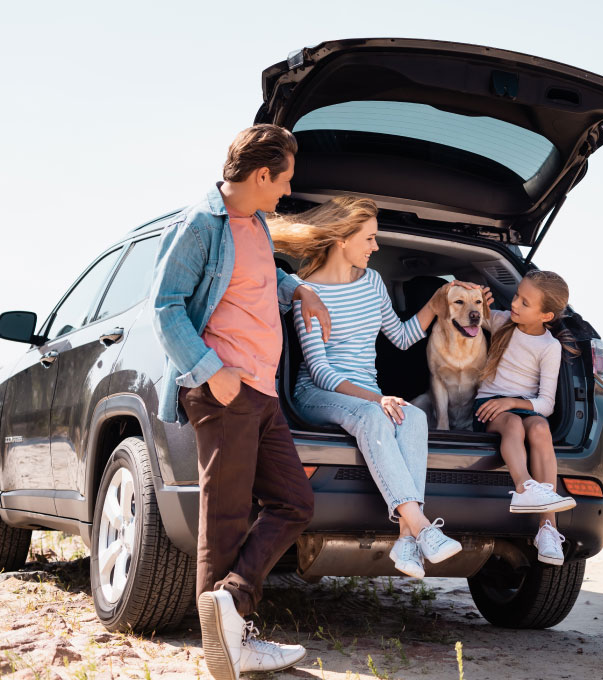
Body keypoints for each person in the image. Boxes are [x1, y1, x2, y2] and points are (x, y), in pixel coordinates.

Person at [151, 125, 332, 680]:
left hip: (262, 390)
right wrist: (211, 371)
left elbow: (254, 278)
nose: (286, 192)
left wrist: (296, 287)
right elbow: (165, 306)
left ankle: (230, 605)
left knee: (294, 503)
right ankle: (228, 646)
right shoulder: (201, 224)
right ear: (260, 175)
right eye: (284, 181)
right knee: (225, 518)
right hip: (225, 390)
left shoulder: (254, 223)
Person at [268, 196, 488, 578]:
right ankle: (421, 527)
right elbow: (321, 371)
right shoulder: (306, 292)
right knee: (375, 414)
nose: (376, 246)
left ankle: (406, 543)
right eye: (369, 238)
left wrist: (437, 304)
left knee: (415, 417)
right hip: (318, 395)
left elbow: (402, 337)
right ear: (342, 239)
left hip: (369, 395)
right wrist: (377, 398)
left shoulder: (372, 283)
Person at [473, 270, 579, 565]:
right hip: (490, 406)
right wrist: (480, 303)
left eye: (525, 302)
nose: (515, 304)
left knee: (541, 428)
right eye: (517, 296)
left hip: (522, 405)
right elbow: (474, 318)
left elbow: (546, 404)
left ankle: (548, 529)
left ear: (546, 316)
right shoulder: (502, 322)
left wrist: (513, 401)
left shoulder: (549, 347)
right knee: (512, 423)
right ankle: (523, 488)